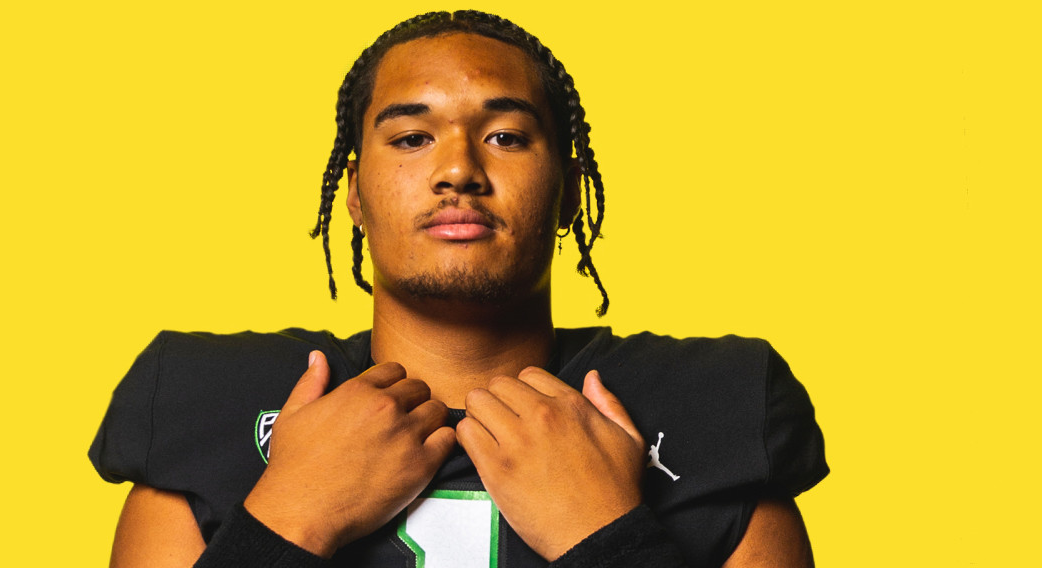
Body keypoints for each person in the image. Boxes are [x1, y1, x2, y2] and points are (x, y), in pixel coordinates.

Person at [89, 10, 828, 568]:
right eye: (412, 138)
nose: (458, 171)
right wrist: (289, 517)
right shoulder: (199, 404)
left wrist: (604, 534)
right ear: (354, 194)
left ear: (570, 192)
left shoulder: (720, 407)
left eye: (506, 136)